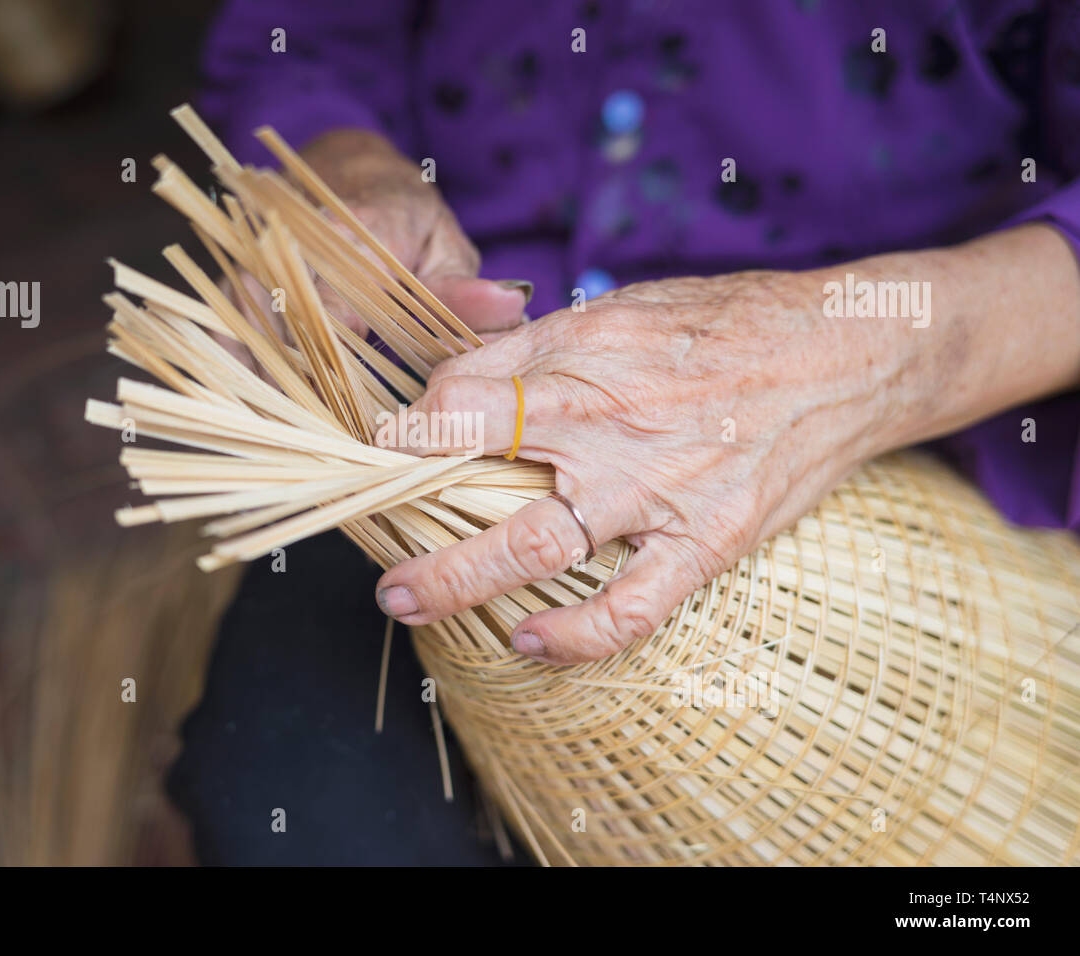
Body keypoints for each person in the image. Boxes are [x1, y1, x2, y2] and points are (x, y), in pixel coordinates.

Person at [166, 0, 1080, 864]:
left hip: (893, 426)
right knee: (293, 813)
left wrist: (864, 361)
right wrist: (346, 166)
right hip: (438, 405)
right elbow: (307, 36)